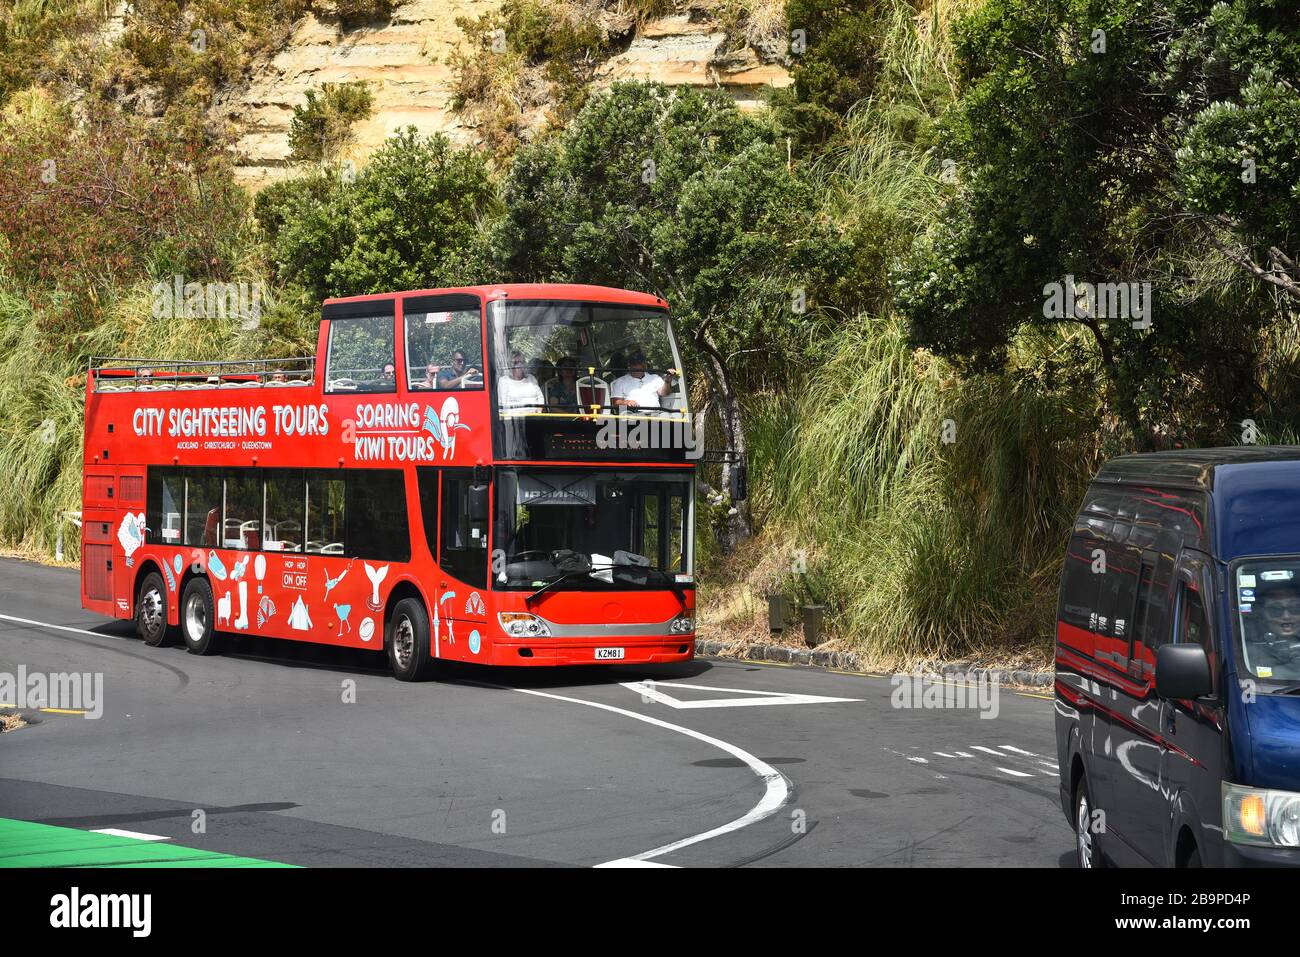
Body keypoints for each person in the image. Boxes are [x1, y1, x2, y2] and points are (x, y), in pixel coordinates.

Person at [1244, 579, 1300, 674]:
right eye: (1276, 609)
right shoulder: (1248, 652)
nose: (1286, 616)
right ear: (1262, 615)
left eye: (1294, 608)